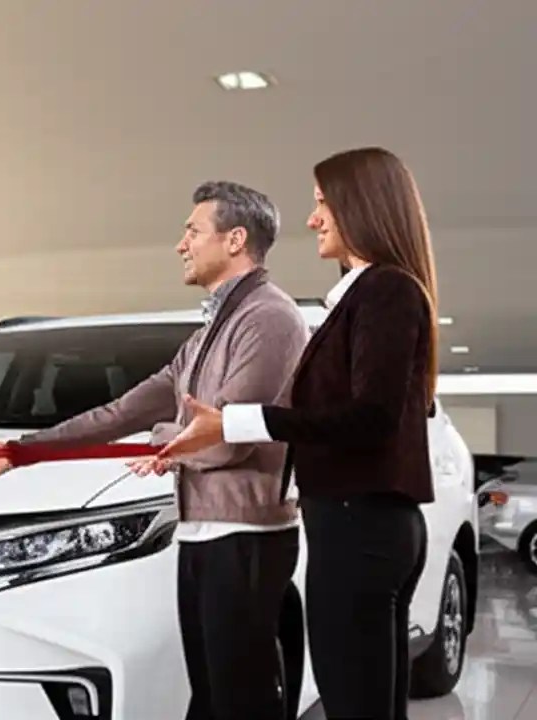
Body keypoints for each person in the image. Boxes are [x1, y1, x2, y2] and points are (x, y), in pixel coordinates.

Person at [0, 181, 309, 720]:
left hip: (246, 538)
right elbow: (122, 412)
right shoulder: (209, 334)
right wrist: (21, 451)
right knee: (211, 699)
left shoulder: (269, 318)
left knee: (240, 702)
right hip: (203, 533)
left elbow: (227, 436)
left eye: (192, 231)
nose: (181, 244)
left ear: (235, 240)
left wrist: (164, 440)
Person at [158, 147, 438, 720]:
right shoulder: (370, 294)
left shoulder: (385, 290)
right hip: (362, 525)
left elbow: (372, 416)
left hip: (358, 527)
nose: (312, 220)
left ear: (361, 206)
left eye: (321, 203)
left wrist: (235, 421)